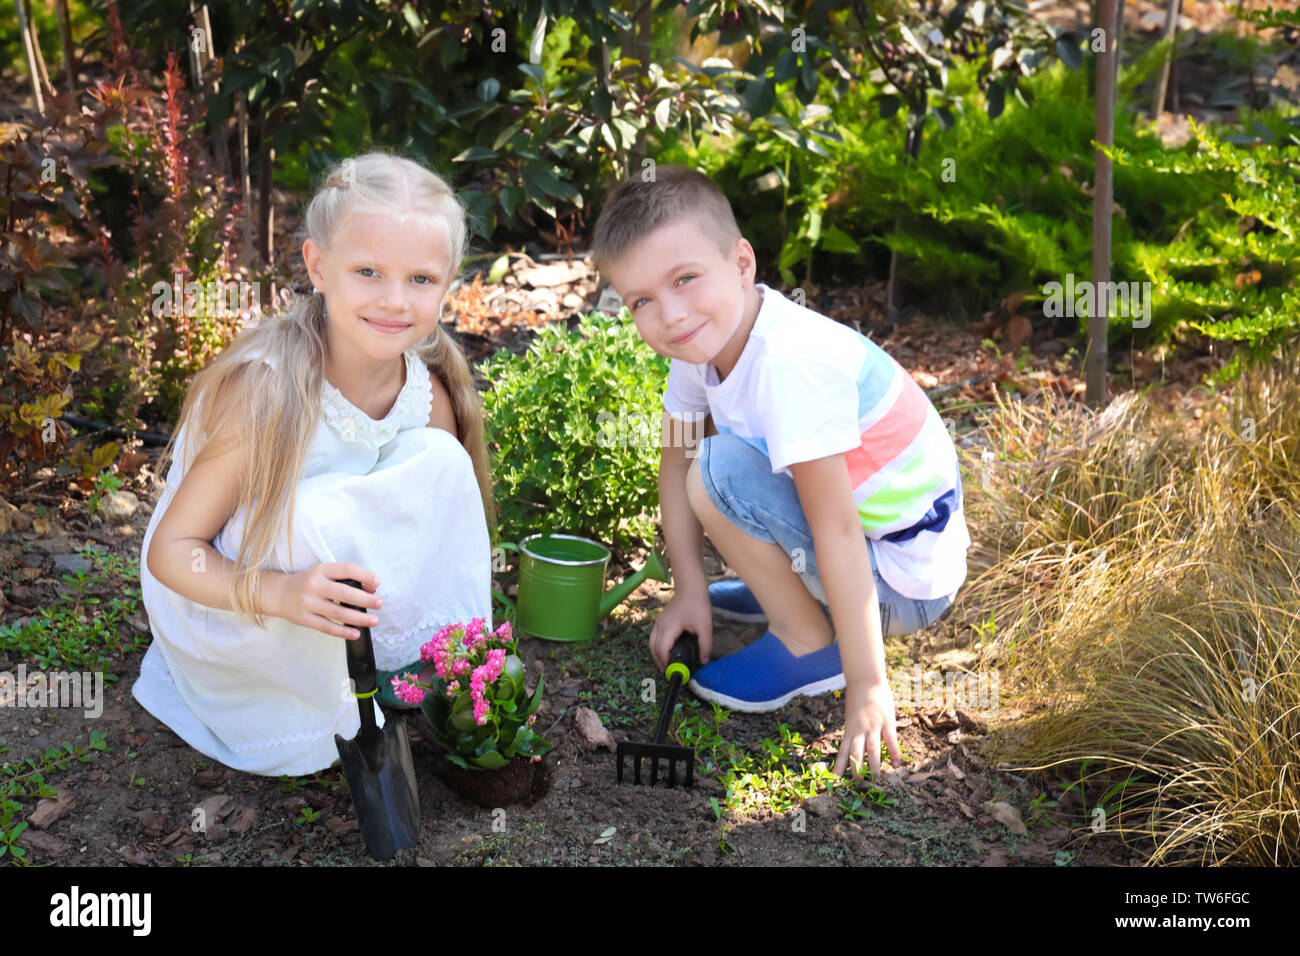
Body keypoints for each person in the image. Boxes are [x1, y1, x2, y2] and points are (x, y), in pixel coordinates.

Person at [590, 165, 970, 779]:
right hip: (870, 547)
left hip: (901, 583)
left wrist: (870, 686)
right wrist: (689, 590)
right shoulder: (702, 344)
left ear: (743, 264)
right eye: (643, 300)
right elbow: (673, 458)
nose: (671, 315)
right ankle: (791, 595)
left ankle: (810, 642)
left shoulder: (791, 365)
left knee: (717, 473)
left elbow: (838, 529)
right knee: (703, 467)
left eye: (686, 279)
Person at [134, 152, 496, 776]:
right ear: (317, 266)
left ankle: (422, 660)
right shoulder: (267, 392)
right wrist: (280, 592)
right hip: (244, 597)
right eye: (367, 271)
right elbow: (171, 551)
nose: (393, 301)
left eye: (420, 280)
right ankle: (311, 696)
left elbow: (436, 524)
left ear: (449, 282)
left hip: (334, 591)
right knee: (311, 511)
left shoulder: (426, 391)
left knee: (442, 461)